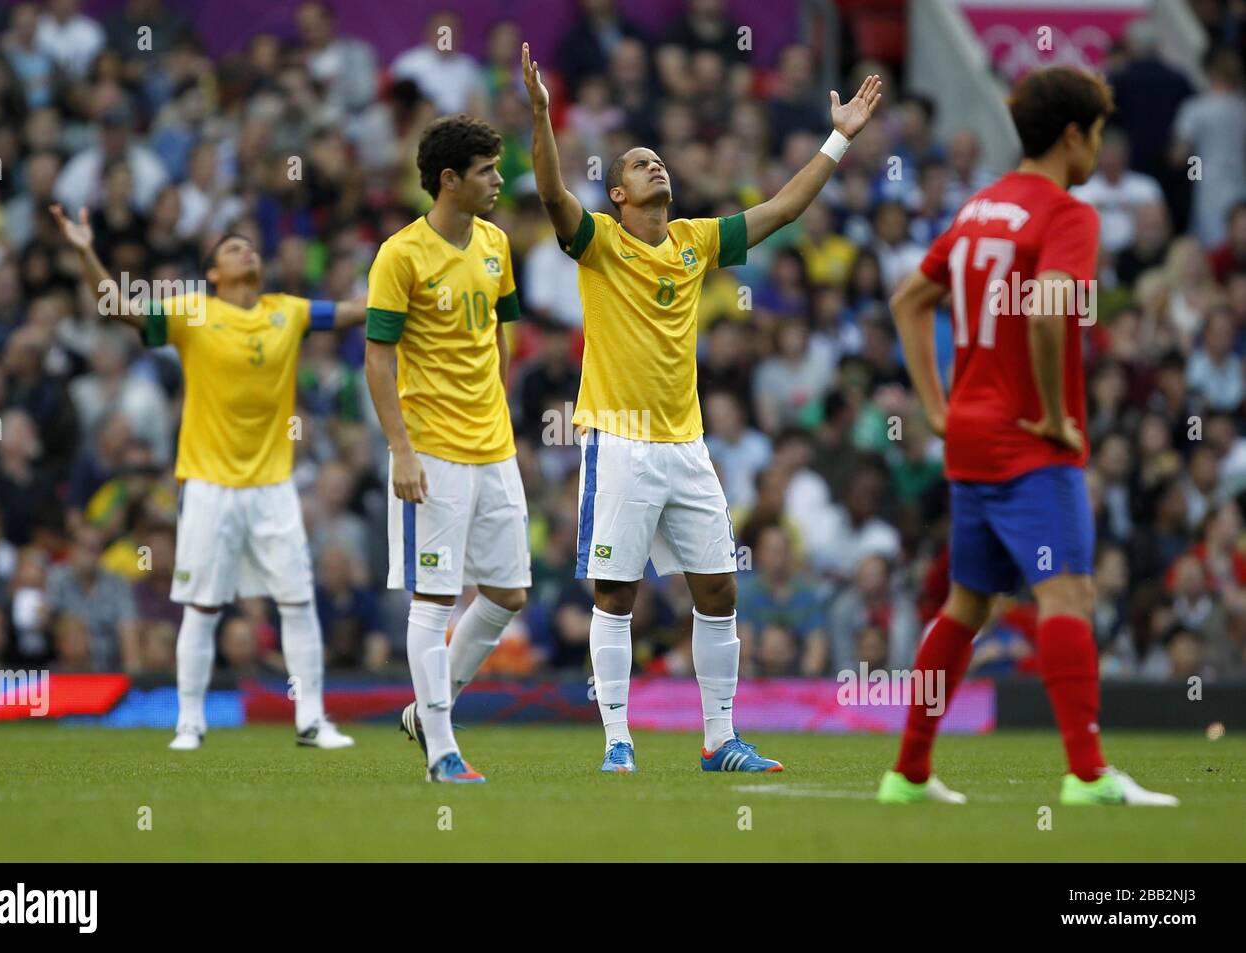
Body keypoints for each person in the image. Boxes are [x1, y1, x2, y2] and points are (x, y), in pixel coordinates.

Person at [522, 41, 880, 773]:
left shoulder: (694, 243)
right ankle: (618, 737)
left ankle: (719, 738)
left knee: (718, 587)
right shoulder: (599, 245)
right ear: (618, 194)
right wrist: (541, 118)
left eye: (660, 160)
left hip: (686, 446)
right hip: (619, 441)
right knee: (616, 593)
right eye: (640, 163)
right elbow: (554, 196)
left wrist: (840, 135)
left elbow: (783, 207)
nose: (657, 166)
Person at [883, 65, 1177, 806]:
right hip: (1027, 442)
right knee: (1068, 594)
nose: (1099, 148)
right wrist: (1052, 412)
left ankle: (908, 773)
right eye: (1100, 133)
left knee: (967, 604)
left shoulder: (980, 207)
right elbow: (1050, 313)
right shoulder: (1067, 214)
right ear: (1075, 135)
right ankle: (1087, 775)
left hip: (971, 438)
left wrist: (938, 404)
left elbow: (908, 299)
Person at [50, 203, 367, 751]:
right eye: (231, 248)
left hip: (273, 486)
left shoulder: (287, 311)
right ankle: (190, 721)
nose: (246, 249)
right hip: (207, 484)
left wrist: (410, 280)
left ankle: (311, 720)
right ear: (214, 273)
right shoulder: (193, 312)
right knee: (201, 605)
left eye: (249, 245)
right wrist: (84, 251)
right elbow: (116, 306)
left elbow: (357, 311)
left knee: (296, 601)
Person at [364, 114, 530, 784]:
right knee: (434, 598)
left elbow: (503, 332)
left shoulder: (495, 242)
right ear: (449, 179)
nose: (498, 179)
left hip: (493, 447)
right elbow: (377, 359)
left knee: (508, 593)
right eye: (486, 170)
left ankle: (425, 711)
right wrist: (400, 449)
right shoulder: (400, 255)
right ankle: (442, 749)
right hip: (431, 449)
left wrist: (493, 396)